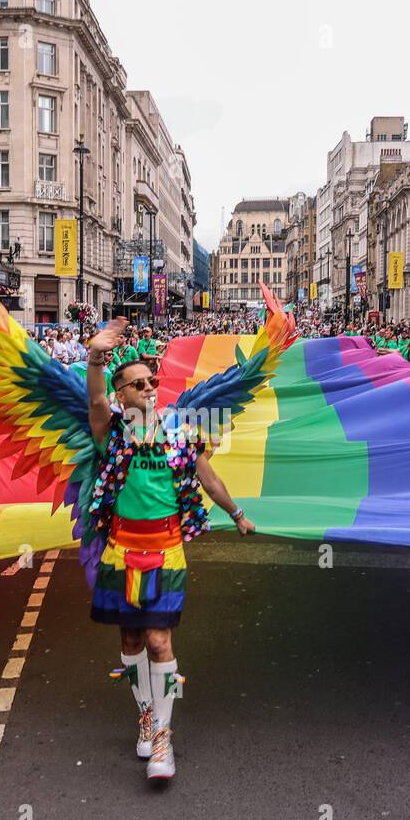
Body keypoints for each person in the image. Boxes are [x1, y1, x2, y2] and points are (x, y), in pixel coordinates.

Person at [87, 319, 255, 783]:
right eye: (138, 384)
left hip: (167, 550)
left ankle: (162, 733)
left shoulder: (181, 432)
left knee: (159, 640)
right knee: (130, 642)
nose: (148, 389)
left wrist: (238, 514)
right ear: (123, 394)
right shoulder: (112, 432)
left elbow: (209, 479)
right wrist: (96, 357)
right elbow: (96, 400)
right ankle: (145, 715)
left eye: (152, 381)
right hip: (121, 551)